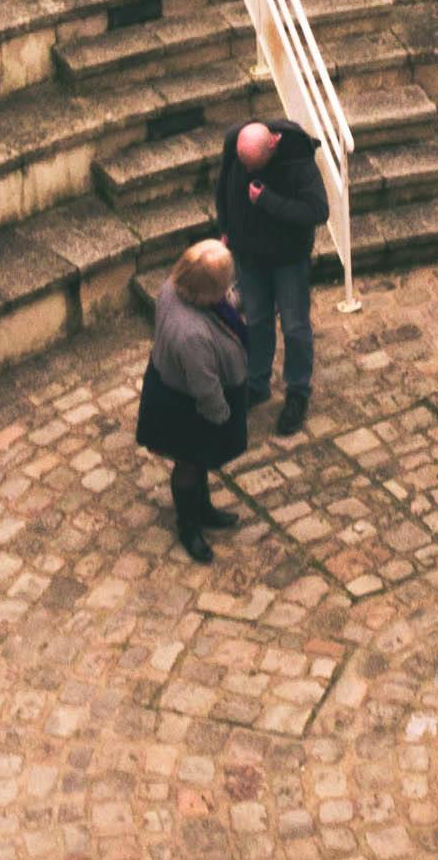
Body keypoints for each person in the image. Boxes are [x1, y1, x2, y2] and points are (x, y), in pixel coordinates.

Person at [135, 238, 248, 564]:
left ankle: (204, 509)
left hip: (174, 388)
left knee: (198, 460)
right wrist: (224, 416)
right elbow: (206, 388)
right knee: (189, 460)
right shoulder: (193, 335)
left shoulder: (174, 287)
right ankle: (189, 526)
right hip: (185, 403)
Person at [217, 113, 329, 438]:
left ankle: (297, 392)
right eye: (244, 164)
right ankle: (257, 382)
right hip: (249, 254)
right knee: (256, 320)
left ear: (273, 145)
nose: (248, 170)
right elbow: (224, 185)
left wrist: (267, 201)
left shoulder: (298, 160)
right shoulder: (237, 144)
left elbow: (317, 211)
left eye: (254, 166)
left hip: (287, 259)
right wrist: (225, 228)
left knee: (295, 327)